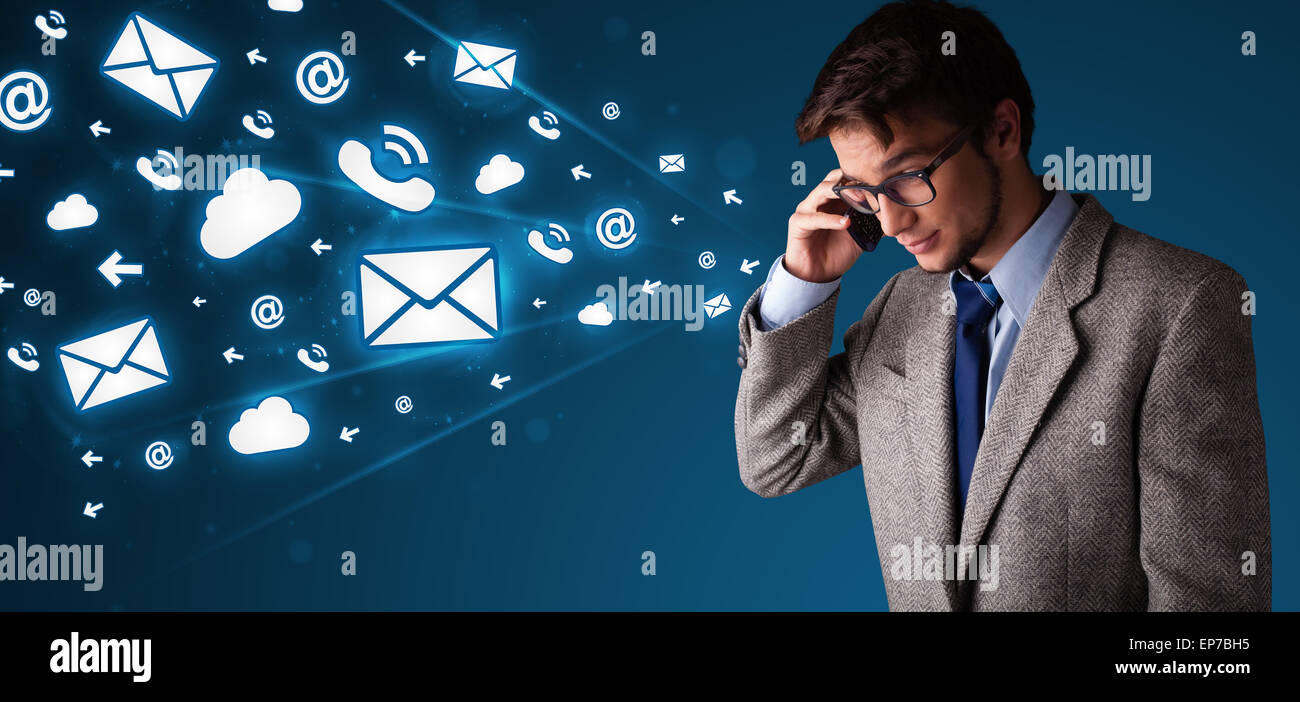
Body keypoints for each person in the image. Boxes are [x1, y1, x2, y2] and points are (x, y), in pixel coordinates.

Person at [733, 0, 1270, 611]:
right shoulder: (899, 307)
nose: (890, 218)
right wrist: (805, 280)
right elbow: (776, 459)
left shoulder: (1178, 305)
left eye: (907, 176)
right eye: (864, 191)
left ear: (1002, 131)